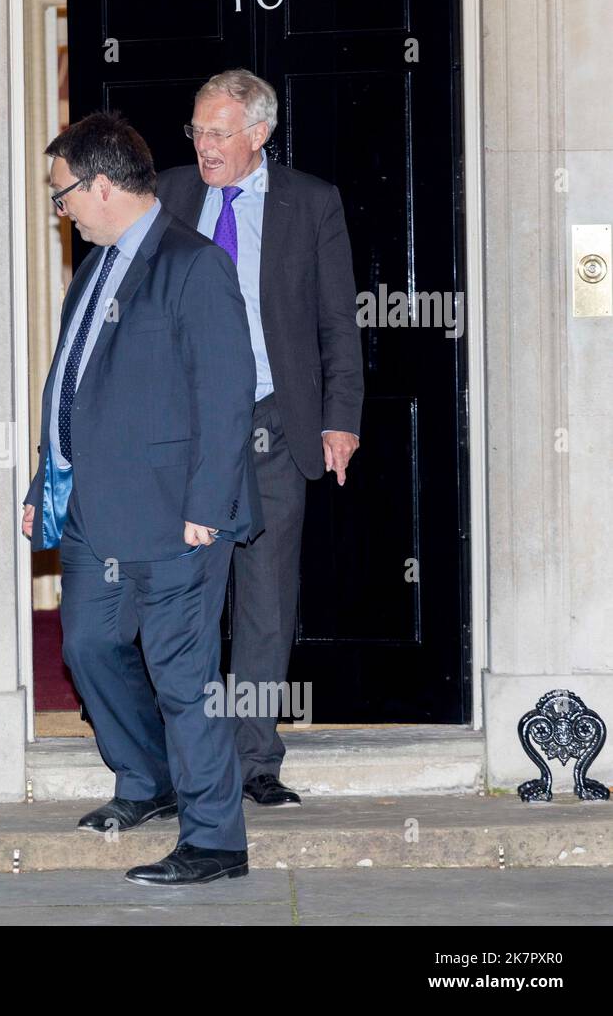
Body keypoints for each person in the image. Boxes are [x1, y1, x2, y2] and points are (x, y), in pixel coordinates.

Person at [22, 110, 261, 885]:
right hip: (94, 510)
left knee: (182, 674)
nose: (60, 209)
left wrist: (207, 504)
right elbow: (73, 389)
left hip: (174, 512)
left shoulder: (192, 264)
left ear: (100, 185)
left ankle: (217, 838)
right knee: (88, 645)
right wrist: (44, 480)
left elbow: (227, 395)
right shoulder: (93, 268)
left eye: (63, 195)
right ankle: (147, 779)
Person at [156, 69, 364, 807]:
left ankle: (253, 762)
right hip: (188, 428)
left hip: (276, 418)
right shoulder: (172, 196)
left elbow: (337, 319)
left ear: (259, 134)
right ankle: (188, 758)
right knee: (189, 592)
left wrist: (341, 416)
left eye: (218, 132)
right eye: (197, 131)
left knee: (266, 598)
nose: (204, 145)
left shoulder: (311, 203)